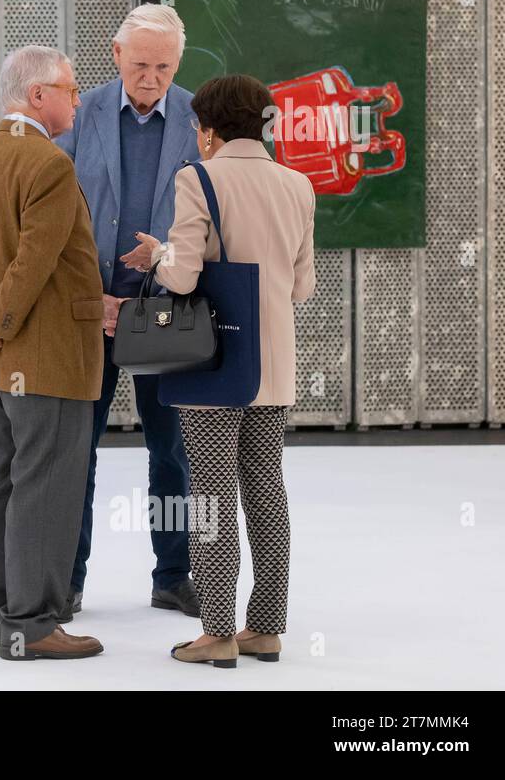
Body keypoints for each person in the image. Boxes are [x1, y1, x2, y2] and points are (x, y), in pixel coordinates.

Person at [127, 73, 315, 667]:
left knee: (209, 495)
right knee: (266, 491)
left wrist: (156, 253)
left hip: (215, 368)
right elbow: (302, 286)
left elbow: (181, 276)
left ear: (205, 129)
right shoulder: (298, 184)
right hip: (274, 364)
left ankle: (216, 631)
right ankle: (266, 627)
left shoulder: (198, 179)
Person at [0, 45, 106, 661]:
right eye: (68, 86)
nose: (77, 96)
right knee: (45, 484)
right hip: (49, 355)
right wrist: (2, 322)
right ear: (38, 96)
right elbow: (34, 262)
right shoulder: (49, 165)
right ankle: (31, 624)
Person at [55, 3, 201, 619]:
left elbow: (217, 218)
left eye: (164, 66)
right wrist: (96, 294)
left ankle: (174, 576)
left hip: (168, 311)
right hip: (90, 309)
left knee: (173, 451)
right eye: (140, 64)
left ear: (178, 63)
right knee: (74, 450)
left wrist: (165, 258)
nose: (151, 78)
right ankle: (67, 581)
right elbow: (50, 210)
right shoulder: (80, 113)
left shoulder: (200, 118)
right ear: (116, 56)